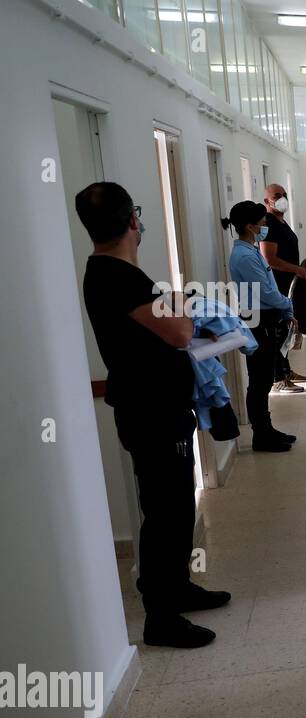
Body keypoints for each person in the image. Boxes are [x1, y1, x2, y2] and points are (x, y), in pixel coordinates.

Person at [74, 182, 229, 649]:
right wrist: (181, 302)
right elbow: (180, 333)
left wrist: (171, 300)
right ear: (132, 221)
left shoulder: (111, 274)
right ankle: (160, 616)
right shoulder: (118, 277)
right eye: (138, 215)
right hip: (153, 414)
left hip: (157, 409)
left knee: (177, 507)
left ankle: (178, 589)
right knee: (165, 512)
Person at [223, 200, 297, 453]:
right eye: (261, 222)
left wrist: (284, 308)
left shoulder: (250, 250)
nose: (265, 225)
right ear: (249, 226)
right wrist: (288, 304)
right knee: (259, 380)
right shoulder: (243, 256)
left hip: (265, 318)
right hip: (257, 321)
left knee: (263, 379)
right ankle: (261, 436)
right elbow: (265, 292)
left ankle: (267, 430)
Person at [259, 183, 306, 394]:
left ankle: (286, 370)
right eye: (277, 195)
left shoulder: (280, 221)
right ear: (266, 201)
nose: (282, 198)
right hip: (277, 285)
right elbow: (269, 259)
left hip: (288, 284)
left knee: (288, 329)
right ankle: (277, 378)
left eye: (284, 195)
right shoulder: (268, 224)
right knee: (279, 332)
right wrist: (296, 269)